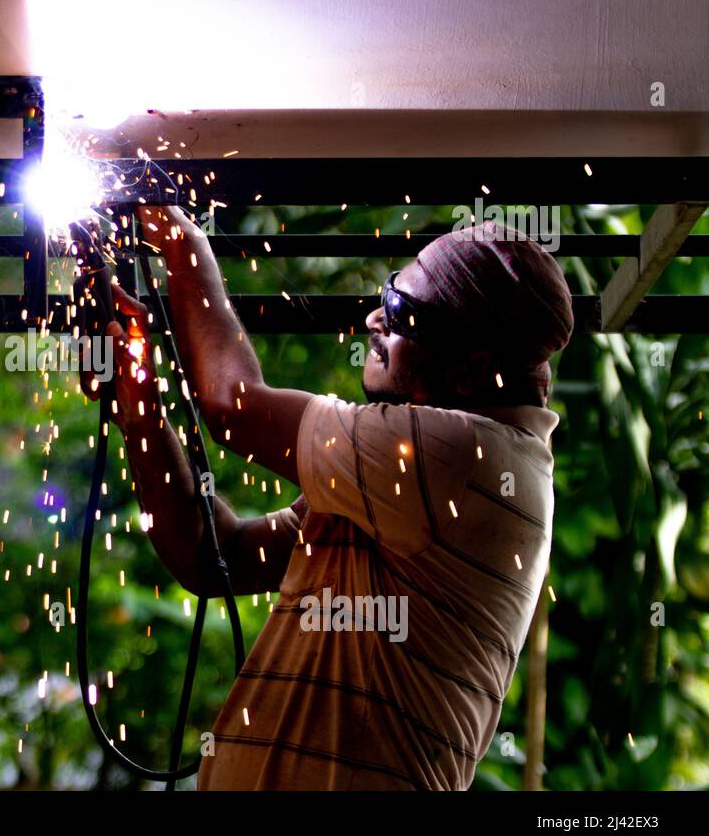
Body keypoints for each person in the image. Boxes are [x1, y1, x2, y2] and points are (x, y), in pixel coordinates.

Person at [90, 205, 573, 789]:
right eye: (388, 292)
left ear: (472, 369)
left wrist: (185, 243)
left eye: (402, 312)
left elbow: (230, 404)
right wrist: (141, 415)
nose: (375, 317)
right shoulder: (411, 484)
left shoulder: (460, 457)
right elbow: (218, 554)